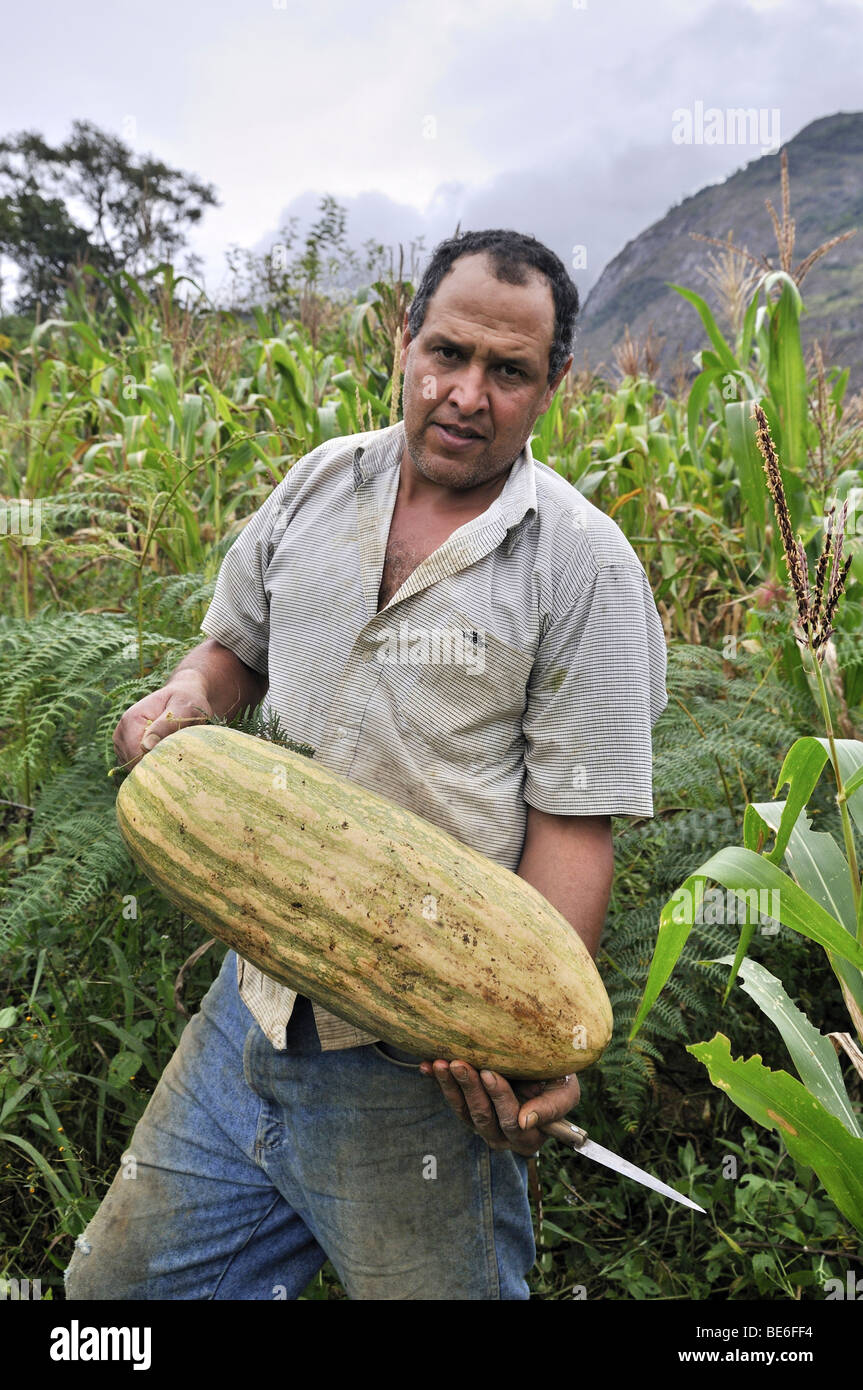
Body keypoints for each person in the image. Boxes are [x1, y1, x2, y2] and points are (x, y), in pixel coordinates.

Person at [64, 228, 667, 1301]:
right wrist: (187, 698)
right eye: (445, 352)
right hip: (244, 1011)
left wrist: (528, 1037)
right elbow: (230, 651)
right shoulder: (316, 485)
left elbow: (574, 827)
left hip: (414, 1073)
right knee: (115, 1301)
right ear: (403, 337)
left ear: (552, 386)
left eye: (508, 371)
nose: (465, 393)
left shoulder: (582, 565)